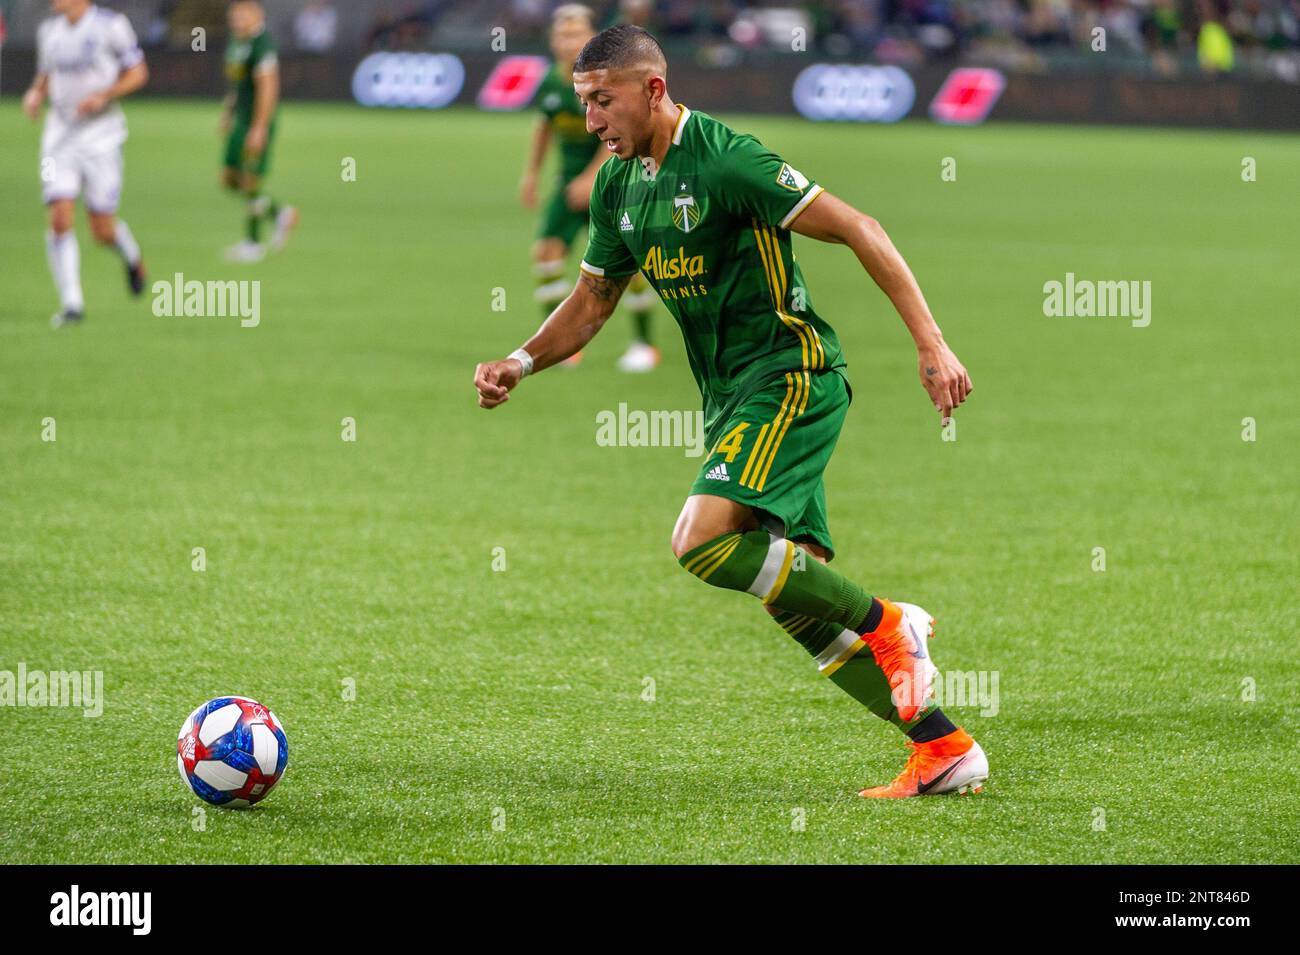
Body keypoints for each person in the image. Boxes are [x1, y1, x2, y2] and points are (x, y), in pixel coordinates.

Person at [475, 25, 988, 797]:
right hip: (731, 399)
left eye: (602, 101)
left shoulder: (724, 158)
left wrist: (932, 344)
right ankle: (942, 747)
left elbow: (860, 228)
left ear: (653, 89)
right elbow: (593, 299)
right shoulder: (618, 181)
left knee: (701, 541)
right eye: (583, 104)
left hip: (791, 375)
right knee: (795, 599)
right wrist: (520, 360)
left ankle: (890, 624)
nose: (590, 122)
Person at [520, 4, 660, 372]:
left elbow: (617, 128)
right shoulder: (550, 80)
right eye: (562, 35)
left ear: (590, 39)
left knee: (630, 267)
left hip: (614, 180)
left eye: (576, 34)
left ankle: (644, 345)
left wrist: (591, 178)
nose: (568, 42)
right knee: (547, 252)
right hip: (568, 185)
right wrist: (531, 174)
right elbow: (544, 127)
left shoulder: (604, 78)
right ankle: (562, 346)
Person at [23, 0, 148, 328]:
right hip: (57, 140)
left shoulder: (111, 26)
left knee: (101, 229)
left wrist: (105, 96)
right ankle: (72, 304)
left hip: (102, 140)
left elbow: (138, 72)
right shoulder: (48, 30)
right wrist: (35, 94)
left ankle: (131, 257)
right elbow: (46, 74)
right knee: (59, 213)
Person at [220, 0, 297, 263]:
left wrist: (259, 128)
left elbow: (268, 88)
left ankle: (252, 244)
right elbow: (238, 82)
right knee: (229, 179)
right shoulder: (237, 42)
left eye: (243, 15)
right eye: (234, 15)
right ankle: (279, 215)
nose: (237, 20)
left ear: (257, 15)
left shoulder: (263, 45)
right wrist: (229, 112)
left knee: (250, 180)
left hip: (255, 121)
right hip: (241, 119)